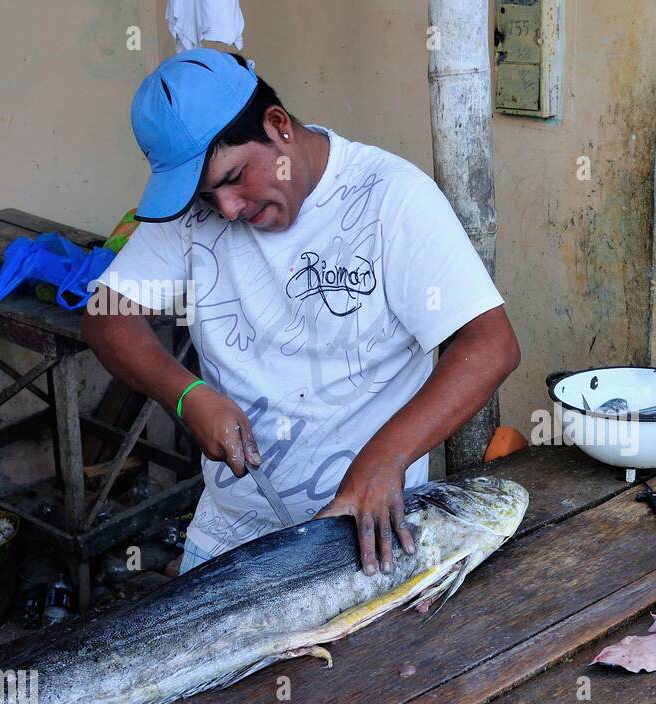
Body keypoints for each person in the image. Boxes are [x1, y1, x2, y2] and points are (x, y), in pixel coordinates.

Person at [83, 49, 519, 575]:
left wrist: (387, 458)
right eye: (206, 196)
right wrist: (187, 396)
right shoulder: (192, 213)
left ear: (277, 126)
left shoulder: (390, 198)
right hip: (231, 540)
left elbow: (490, 345)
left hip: (370, 539)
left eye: (235, 177)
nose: (227, 209)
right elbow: (106, 315)